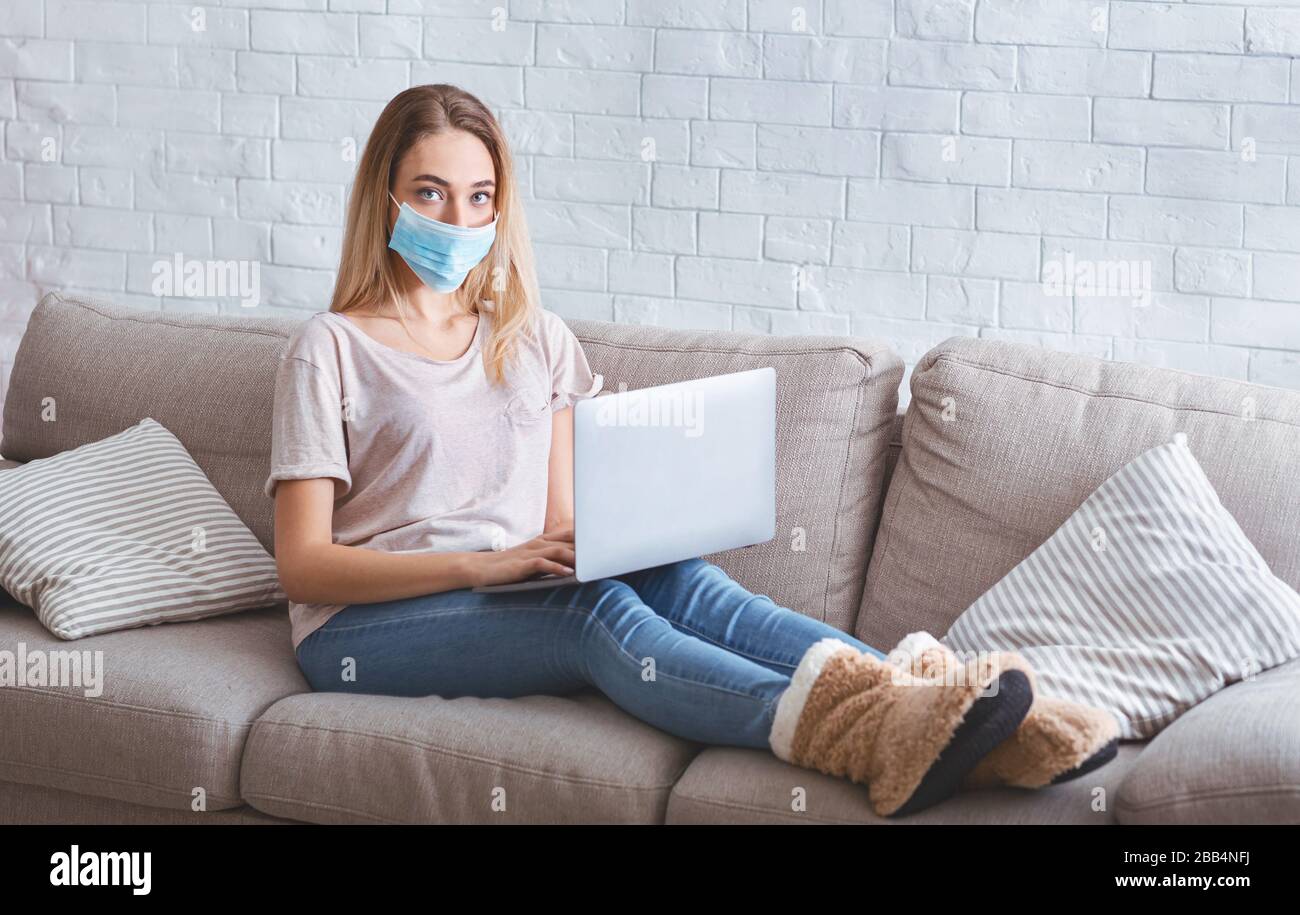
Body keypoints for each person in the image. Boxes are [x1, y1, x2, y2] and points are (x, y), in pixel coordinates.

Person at [263, 84, 1036, 818]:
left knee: (680, 578)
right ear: (386, 198)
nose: (458, 219)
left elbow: (557, 521)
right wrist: (477, 565)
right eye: (430, 192)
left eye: (479, 197)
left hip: (496, 593)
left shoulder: (532, 339)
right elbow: (303, 564)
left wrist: (610, 541)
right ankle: (865, 731)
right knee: (592, 612)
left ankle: (923, 695)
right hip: (360, 628)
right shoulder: (330, 348)